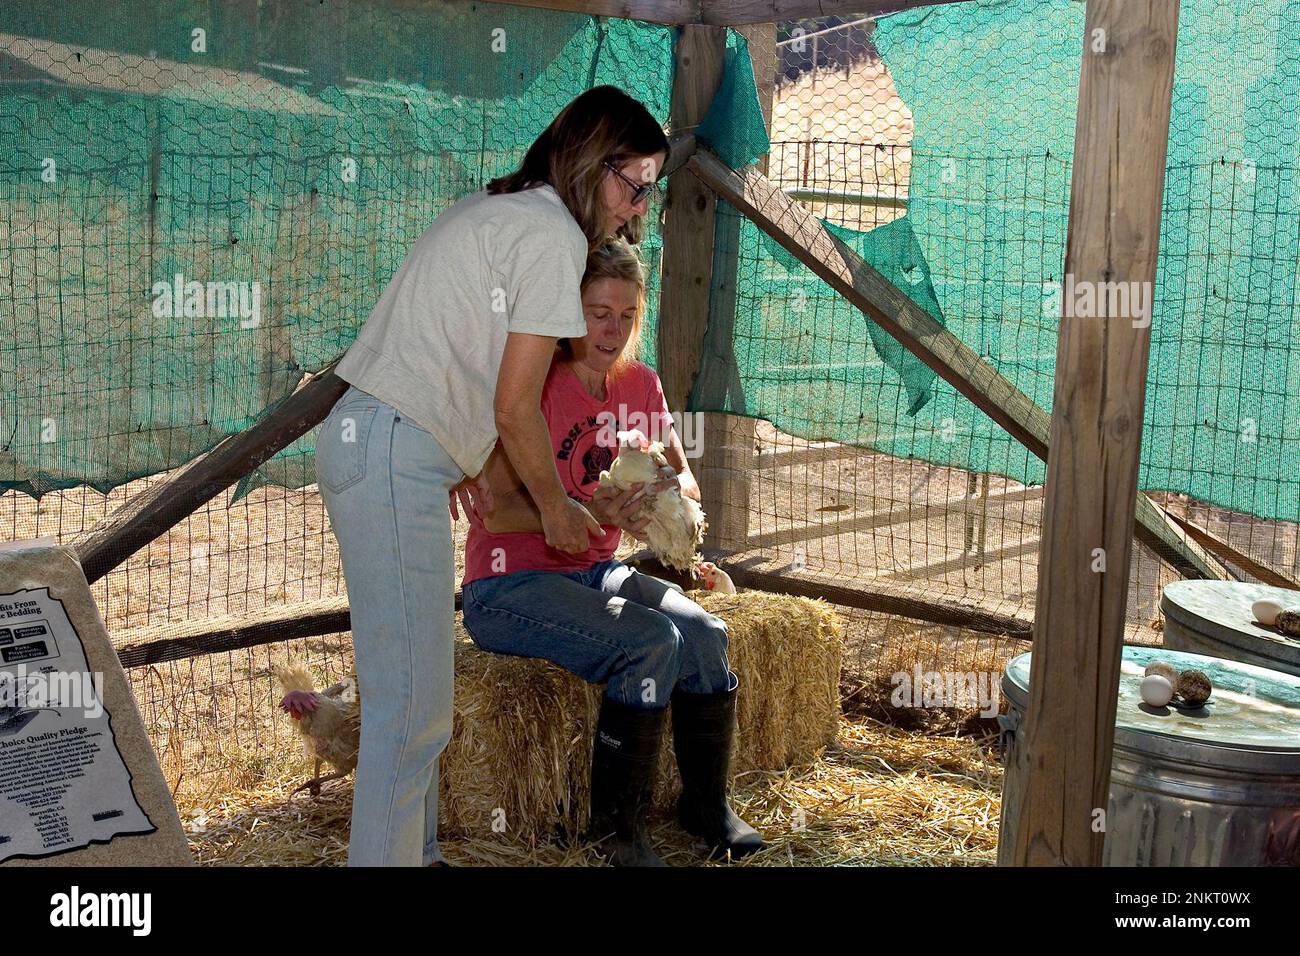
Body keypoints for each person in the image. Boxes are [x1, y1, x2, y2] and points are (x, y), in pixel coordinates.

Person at [311, 87, 670, 866]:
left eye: (650, 190)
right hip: (392, 447)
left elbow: (453, 353)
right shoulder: (552, 235)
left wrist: (451, 447)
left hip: (387, 442)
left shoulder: (508, 209)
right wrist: (557, 508)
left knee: (414, 710)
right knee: (410, 714)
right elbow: (515, 406)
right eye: (634, 185)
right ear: (593, 162)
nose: (638, 209)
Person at [460, 239, 766, 866]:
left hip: (596, 570)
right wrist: (587, 512)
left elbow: (686, 480)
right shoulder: (535, 385)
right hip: (510, 584)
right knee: (650, 641)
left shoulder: (640, 384)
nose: (613, 329)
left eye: (626, 315)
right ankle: (616, 834)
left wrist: (661, 496)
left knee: (705, 634)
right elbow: (495, 509)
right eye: (598, 313)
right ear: (567, 311)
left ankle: (705, 806)